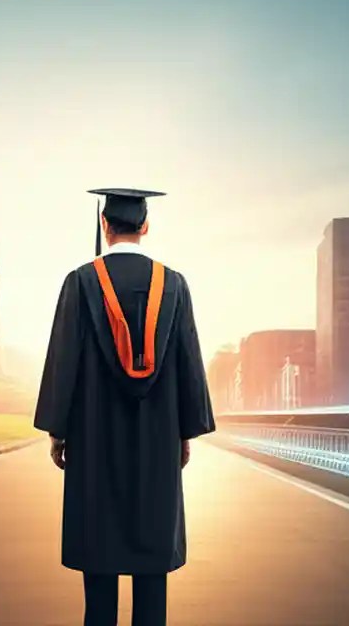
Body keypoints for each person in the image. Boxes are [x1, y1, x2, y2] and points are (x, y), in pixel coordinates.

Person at [34, 187, 216, 626]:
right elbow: (188, 362)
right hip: (157, 443)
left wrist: (58, 431)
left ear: (105, 225)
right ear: (145, 226)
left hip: (94, 445)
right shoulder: (173, 285)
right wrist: (185, 433)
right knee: (152, 572)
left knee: (99, 567)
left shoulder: (81, 282)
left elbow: (64, 359)